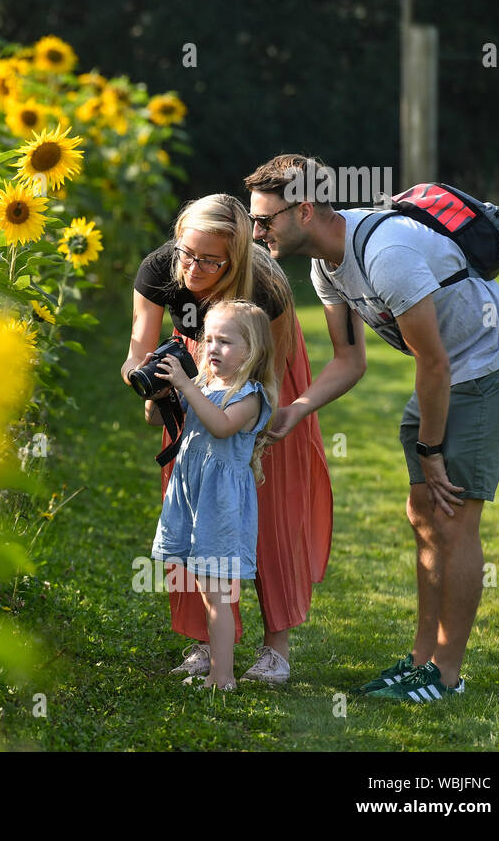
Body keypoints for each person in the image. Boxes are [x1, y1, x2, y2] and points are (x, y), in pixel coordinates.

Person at [245, 153, 499, 702]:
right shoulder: (324, 265)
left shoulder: (386, 254)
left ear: (304, 210)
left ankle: (446, 676)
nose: (257, 233)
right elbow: (350, 361)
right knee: (422, 514)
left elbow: (434, 363)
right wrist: (295, 410)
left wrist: (431, 448)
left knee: (452, 518)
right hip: (449, 370)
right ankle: (420, 661)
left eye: (265, 221)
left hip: (489, 366)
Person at [124, 194, 333, 683]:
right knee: (197, 497)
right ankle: (207, 642)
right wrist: (150, 384)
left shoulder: (264, 287)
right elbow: (136, 352)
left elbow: (274, 368)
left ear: (235, 258)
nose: (193, 269)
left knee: (272, 503)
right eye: (186, 254)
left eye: (210, 261)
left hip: (263, 369)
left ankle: (275, 648)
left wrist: (258, 428)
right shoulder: (160, 269)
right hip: (198, 364)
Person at [145, 299, 278, 689]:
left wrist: (186, 385)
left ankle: (222, 678)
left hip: (220, 503)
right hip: (192, 494)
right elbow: (156, 419)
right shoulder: (203, 383)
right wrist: (160, 389)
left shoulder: (250, 396)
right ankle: (219, 670)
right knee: (205, 589)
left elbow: (220, 426)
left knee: (218, 592)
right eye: (209, 340)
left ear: (252, 352)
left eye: (226, 342)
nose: (213, 349)